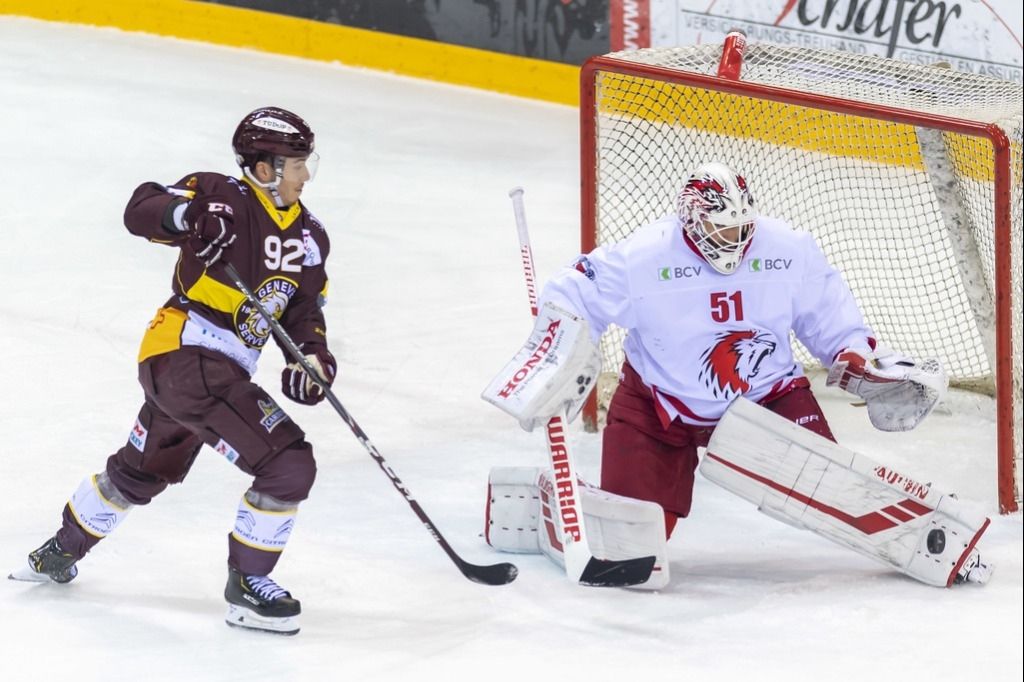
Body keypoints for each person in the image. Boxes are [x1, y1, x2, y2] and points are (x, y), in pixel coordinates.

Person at [483, 161, 990, 587]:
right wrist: (557, 356)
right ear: (690, 222)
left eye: (742, 228)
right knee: (630, 546)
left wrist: (854, 355)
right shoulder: (644, 257)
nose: (734, 240)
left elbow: (829, 316)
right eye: (721, 230)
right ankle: (538, 504)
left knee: (835, 488)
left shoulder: (787, 248)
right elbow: (572, 292)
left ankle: (937, 546)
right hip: (659, 409)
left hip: (768, 399)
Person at [13, 106, 335, 635]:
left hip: (209, 373)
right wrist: (187, 217)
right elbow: (141, 208)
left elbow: (302, 311)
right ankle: (248, 587)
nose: (306, 175)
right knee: (288, 463)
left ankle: (58, 551)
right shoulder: (220, 195)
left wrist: (313, 356)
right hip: (186, 354)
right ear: (264, 168)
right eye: (297, 165)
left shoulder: (311, 236)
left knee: (141, 472)